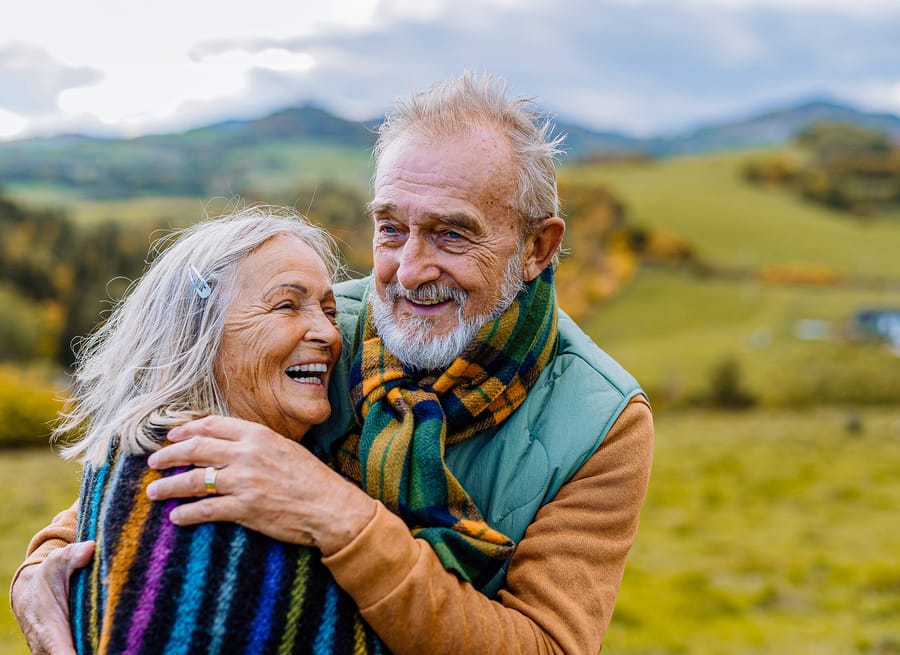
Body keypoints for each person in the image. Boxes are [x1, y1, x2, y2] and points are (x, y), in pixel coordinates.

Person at [11, 72, 654, 654]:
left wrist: (340, 516)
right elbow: (166, 455)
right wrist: (43, 565)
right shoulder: (324, 326)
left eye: (451, 234)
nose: (408, 271)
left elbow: (547, 646)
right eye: (390, 228)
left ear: (537, 247)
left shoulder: (603, 421)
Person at [57, 207, 386, 653]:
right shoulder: (190, 493)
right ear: (199, 332)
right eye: (287, 305)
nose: (328, 333)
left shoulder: (161, 451)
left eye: (329, 311)